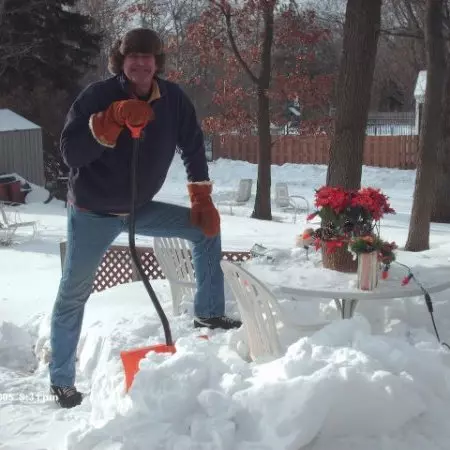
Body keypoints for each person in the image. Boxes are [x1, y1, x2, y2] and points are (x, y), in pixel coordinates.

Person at [49, 27, 242, 408]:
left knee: (204, 229)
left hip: (138, 208)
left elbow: (192, 146)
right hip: (93, 213)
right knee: (74, 293)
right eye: (132, 57)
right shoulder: (98, 96)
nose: (140, 63)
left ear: (157, 63)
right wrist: (110, 121)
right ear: (121, 62)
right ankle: (62, 381)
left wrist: (201, 197)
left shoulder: (173, 100)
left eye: (147, 57)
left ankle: (208, 313)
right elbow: (71, 154)